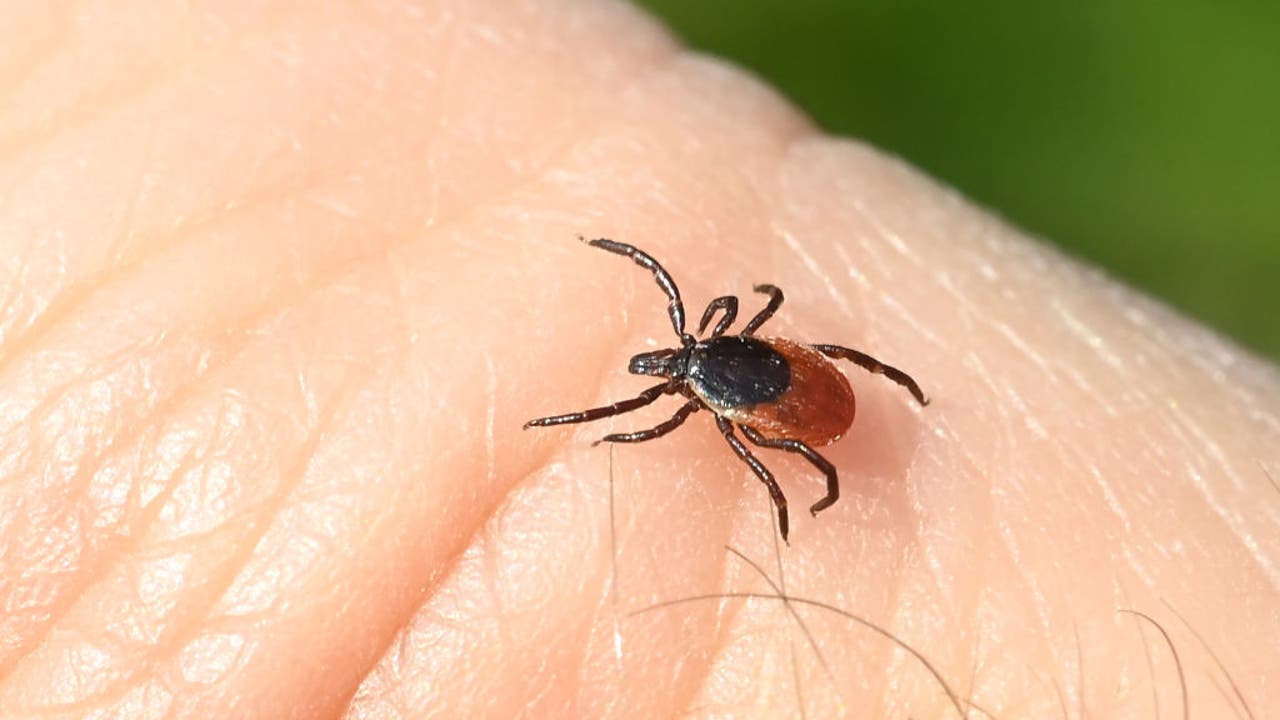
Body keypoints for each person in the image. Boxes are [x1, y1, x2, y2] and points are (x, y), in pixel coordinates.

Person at [0, 2, 1274, 717]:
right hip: (817, 404)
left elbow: (774, 415)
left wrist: (648, 434)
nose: (671, 358)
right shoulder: (735, 366)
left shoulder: (719, 393)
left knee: (808, 421)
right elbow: (794, 373)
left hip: (814, 406)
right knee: (821, 404)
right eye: (676, 354)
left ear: (712, 345)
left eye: (678, 349)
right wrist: (794, 436)